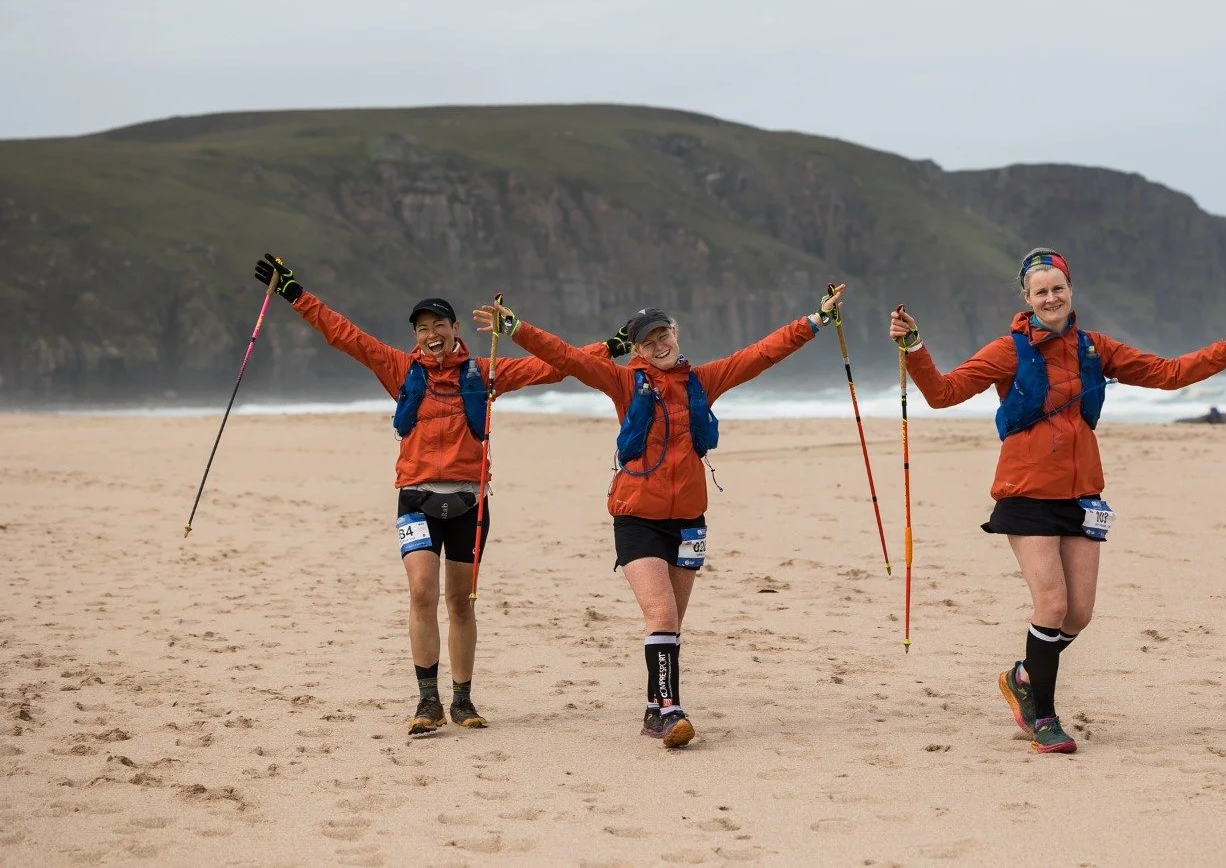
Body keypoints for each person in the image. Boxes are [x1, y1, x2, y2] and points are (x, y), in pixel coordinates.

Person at [888, 248, 1226, 754]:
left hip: (1083, 494)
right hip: (1025, 493)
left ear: (1070, 290)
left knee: (1078, 614)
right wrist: (914, 346)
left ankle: (1023, 676)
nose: (1050, 297)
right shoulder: (1008, 350)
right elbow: (943, 393)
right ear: (1026, 298)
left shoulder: (1095, 348)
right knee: (1052, 603)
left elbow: (1168, 373)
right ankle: (1042, 716)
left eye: (1057, 288)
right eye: (1040, 291)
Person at [252, 255, 617, 736]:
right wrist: (295, 294)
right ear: (416, 334)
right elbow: (344, 335)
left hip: (470, 499)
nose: (431, 333)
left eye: (438, 324)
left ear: (454, 327)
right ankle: (428, 702)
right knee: (422, 592)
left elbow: (554, 367)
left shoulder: (484, 370)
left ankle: (463, 701)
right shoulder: (401, 369)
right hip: (416, 496)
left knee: (460, 603)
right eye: (422, 327)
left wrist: (614, 347)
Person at [473, 285, 846, 749]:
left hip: (689, 521)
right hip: (637, 519)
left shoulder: (703, 380)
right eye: (647, 341)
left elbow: (761, 355)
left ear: (675, 332)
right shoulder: (625, 382)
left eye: (662, 334)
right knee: (662, 612)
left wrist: (814, 321)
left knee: (669, 626)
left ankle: (653, 710)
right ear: (635, 348)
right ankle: (670, 712)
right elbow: (568, 357)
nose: (658, 345)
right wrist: (517, 329)